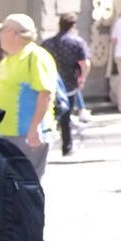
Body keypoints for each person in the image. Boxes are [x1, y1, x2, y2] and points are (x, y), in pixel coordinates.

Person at [0, 13, 58, 177]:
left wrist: (35, 127)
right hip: (7, 134)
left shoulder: (36, 56)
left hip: (27, 135)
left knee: (27, 188)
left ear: (14, 34)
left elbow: (46, 93)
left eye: (2, 31)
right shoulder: (9, 58)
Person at [41, 12, 91, 155]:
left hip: (51, 82)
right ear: (73, 26)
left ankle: (49, 141)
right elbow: (85, 63)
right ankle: (67, 146)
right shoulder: (77, 42)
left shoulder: (48, 43)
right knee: (66, 116)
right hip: (69, 84)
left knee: (49, 113)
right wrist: (82, 80)